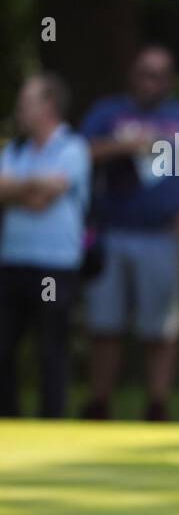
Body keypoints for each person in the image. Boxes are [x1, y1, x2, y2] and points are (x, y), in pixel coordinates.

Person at [79, 46, 179, 421]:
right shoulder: (108, 113)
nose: (148, 81)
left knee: (161, 329)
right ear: (131, 75)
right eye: (142, 72)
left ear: (169, 80)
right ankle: (99, 403)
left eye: (157, 74)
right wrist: (125, 144)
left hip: (162, 235)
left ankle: (157, 405)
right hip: (113, 231)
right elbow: (79, 153)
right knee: (104, 325)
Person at [0, 74, 91, 418]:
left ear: (48, 107)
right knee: (4, 345)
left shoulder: (73, 148)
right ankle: (7, 417)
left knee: (51, 346)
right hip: (13, 263)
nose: (20, 110)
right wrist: (33, 185)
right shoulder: (15, 149)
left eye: (27, 103)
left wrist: (17, 189)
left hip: (55, 267)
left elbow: (44, 198)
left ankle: (53, 418)